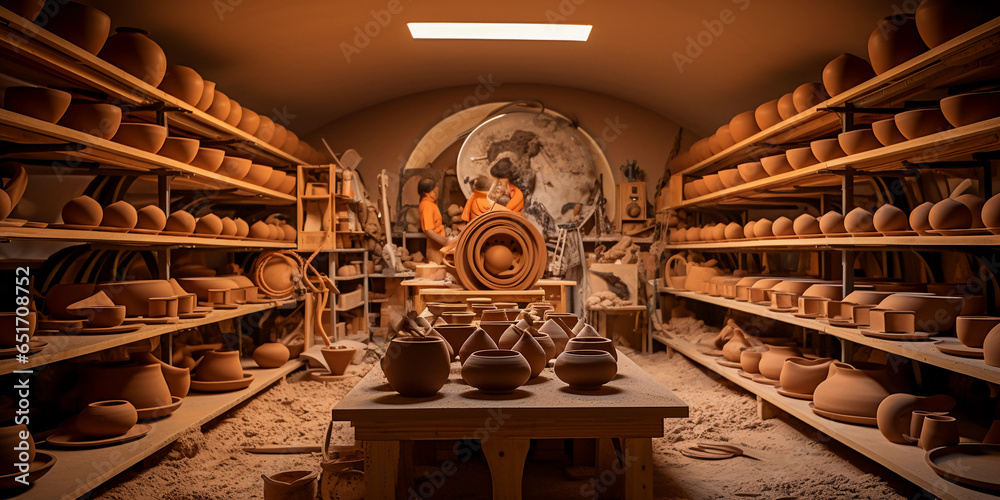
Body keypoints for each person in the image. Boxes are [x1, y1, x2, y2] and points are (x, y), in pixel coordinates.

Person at [417, 177, 449, 263]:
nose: (437, 190)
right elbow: (428, 230)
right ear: (427, 192)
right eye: (435, 188)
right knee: (436, 270)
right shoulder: (427, 205)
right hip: (434, 245)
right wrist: (444, 241)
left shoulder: (430, 204)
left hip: (438, 245)